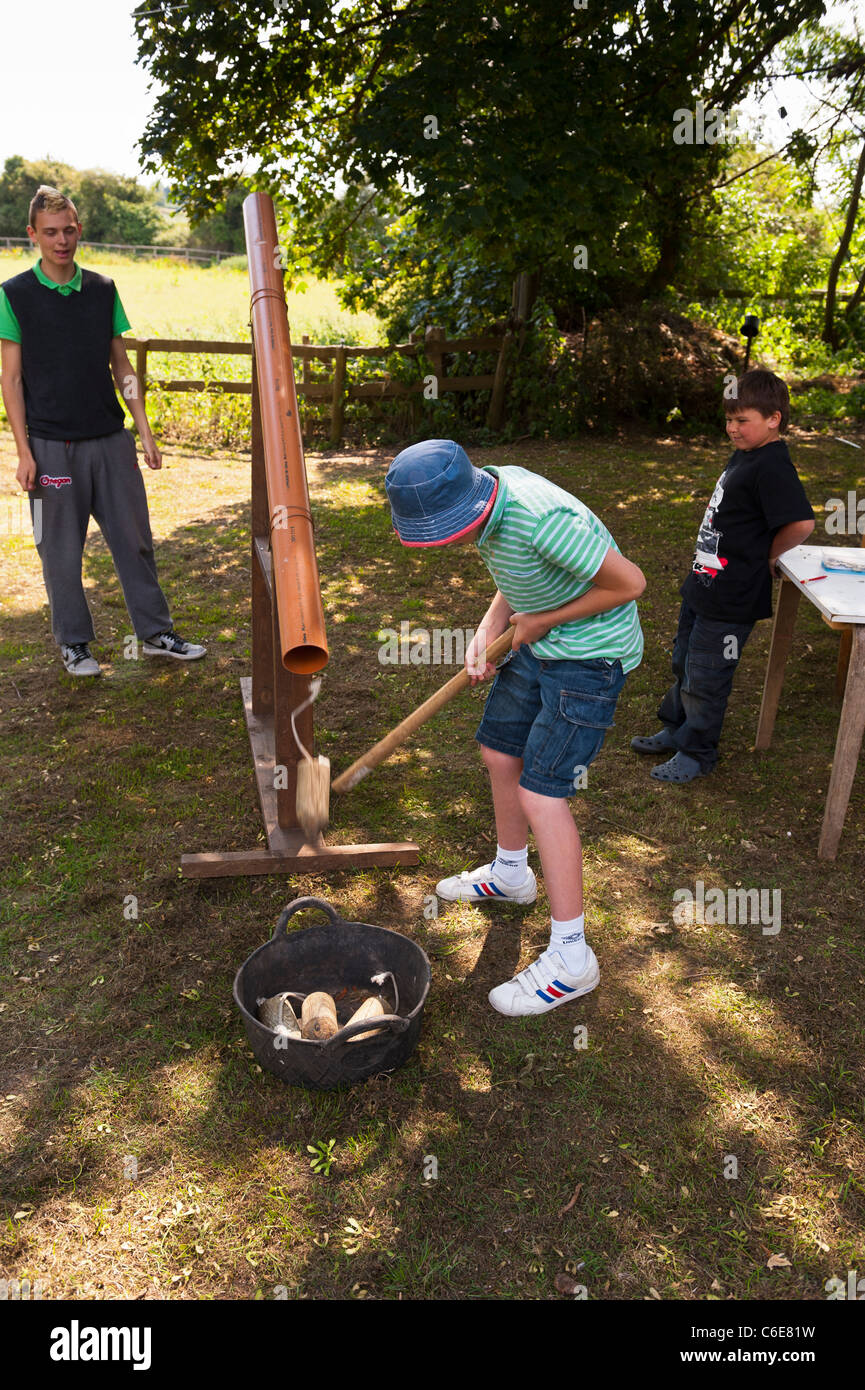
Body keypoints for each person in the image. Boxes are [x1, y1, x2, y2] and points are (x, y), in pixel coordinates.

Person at [385, 439, 645, 1017]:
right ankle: (510, 873)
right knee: (500, 752)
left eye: (448, 531)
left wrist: (544, 621)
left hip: (588, 658)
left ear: (471, 502)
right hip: (538, 640)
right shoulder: (488, 505)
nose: (446, 542)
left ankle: (573, 958)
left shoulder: (544, 519)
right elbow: (516, 572)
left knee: (543, 792)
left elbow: (630, 583)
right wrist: (487, 630)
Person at [0, 184, 206, 676]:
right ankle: (75, 644)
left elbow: (123, 367)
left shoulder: (103, 289)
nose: (61, 240)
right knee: (60, 550)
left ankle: (156, 633)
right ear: (33, 235)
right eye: (50, 232)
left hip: (111, 442)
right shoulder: (14, 296)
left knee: (135, 539)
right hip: (51, 448)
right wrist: (23, 452)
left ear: (78, 229)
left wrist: (145, 431)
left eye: (69, 229)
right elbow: (9, 378)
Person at [631, 370, 814, 782]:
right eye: (728, 419)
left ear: (774, 418)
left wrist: (770, 556)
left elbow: (800, 523)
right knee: (684, 663)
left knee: (708, 675)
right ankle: (676, 730)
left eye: (742, 420)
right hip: (703, 587)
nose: (732, 428)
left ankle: (697, 753)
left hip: (732, 600)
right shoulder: (747, 454)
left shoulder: (773, 465)